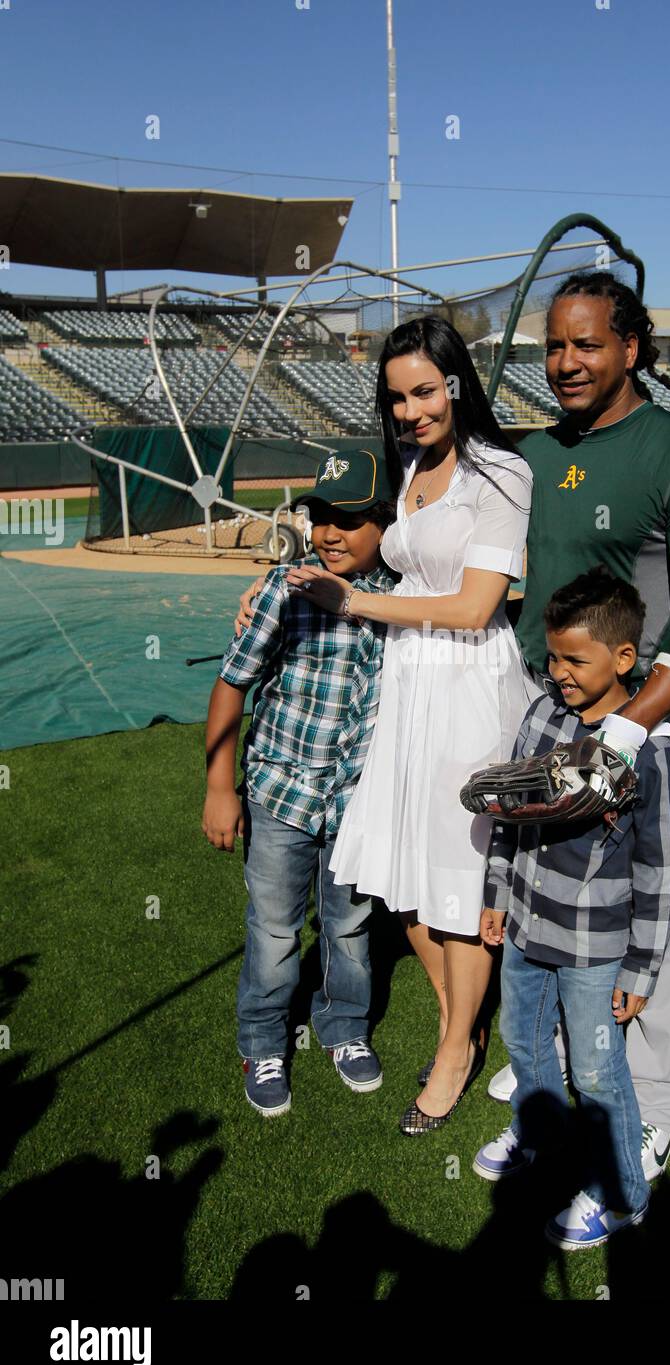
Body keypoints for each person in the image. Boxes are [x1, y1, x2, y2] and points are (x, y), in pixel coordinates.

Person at [240, 317, 538, 1133]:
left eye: (425, 391)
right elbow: (366, 552)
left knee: (458, 876)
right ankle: (458, 1024)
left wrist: (353, 604)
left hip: (466, 683)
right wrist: (278, 581)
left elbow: (474, 606)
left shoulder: (502, 472)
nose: (410, 411)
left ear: (457, 384)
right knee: (401, 871)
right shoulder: (405, 467)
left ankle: (453, 1054)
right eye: (397, 397)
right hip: (402, 685)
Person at [489, 270, 670, 1183]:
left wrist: (624, 732)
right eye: (554, 345)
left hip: (650, 727)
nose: (565, 361)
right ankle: (563, 1060)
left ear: (630, 348)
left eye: (586, 344)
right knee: (554, 895)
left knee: (651, 909)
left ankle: (659, 1103)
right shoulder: (532, 452)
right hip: (551, 710)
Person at [474, 564, 670, 1249]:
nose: (558, 672)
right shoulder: (542, 715)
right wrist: (496, 892)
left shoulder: (649, 748)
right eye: (552, 656)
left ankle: (622, 1195)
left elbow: (658, 867)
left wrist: (641, 969)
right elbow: (508, 812)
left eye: (574, 660)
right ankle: (539, 1133)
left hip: (594, 945)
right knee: (524, 1039)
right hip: (525, 922)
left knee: (595, 1070)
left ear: (623, 657)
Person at [202, 449, 398, 1116]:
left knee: (349, 927)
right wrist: (219, 788)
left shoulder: (404, 598)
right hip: (279, 795)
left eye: (350, 519)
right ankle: (262, 1040)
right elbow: (232, 683)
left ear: (385, 522)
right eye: (320, 517)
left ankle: (343, 1026)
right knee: (275, 930)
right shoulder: (284, 588)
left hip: (356, 803)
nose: (329, 533)